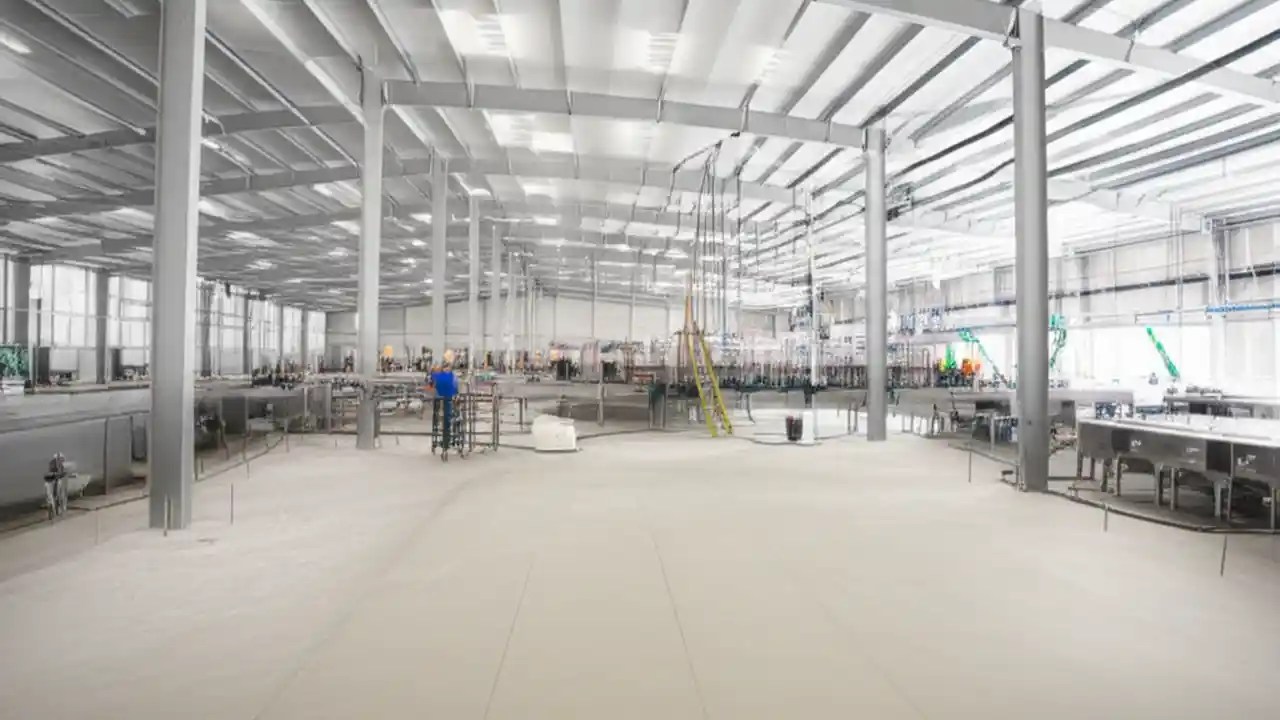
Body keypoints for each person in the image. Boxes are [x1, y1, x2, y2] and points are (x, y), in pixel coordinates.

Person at [430, 363, 459, 450]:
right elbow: (432, 384)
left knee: (447, 420)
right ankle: (442, 440)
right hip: (440, 401)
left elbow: (456, 389)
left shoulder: (452, 377)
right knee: (439, 420)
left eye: (448, 369)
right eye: (445, 369)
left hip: (448, 401)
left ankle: (447, 441)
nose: (447, 370)